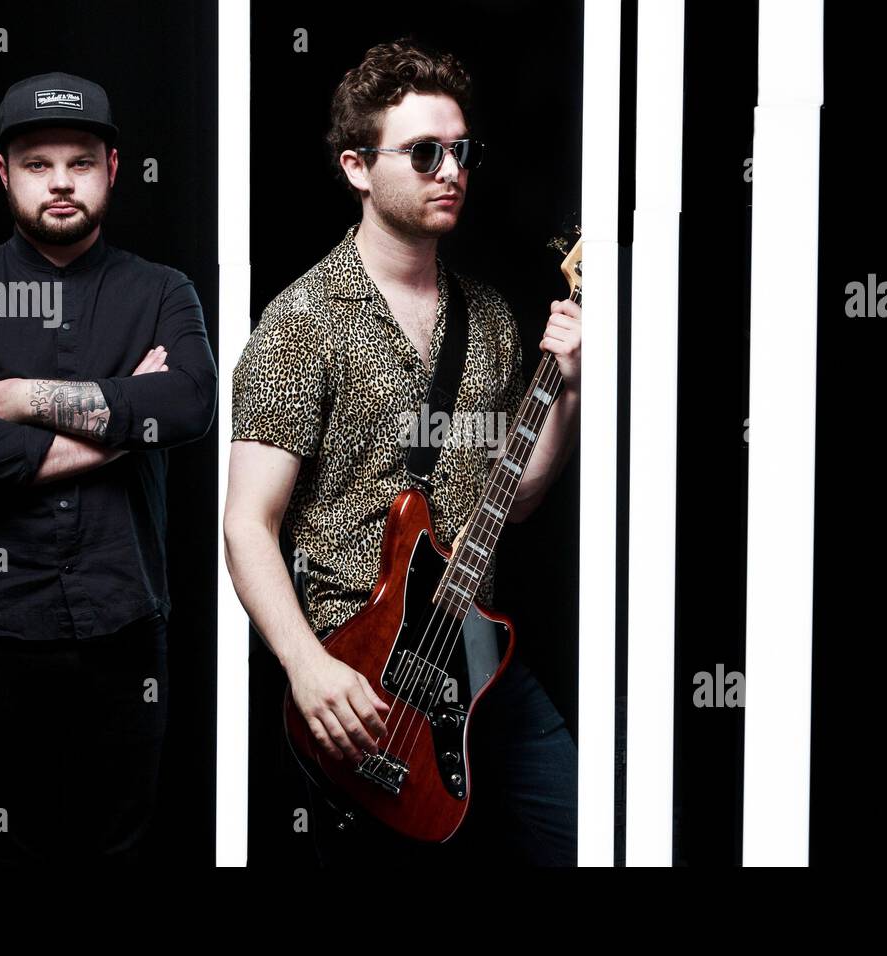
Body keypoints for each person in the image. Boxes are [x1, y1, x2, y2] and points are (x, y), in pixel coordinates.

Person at [223, 40, 581, 865]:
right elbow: (247, 524)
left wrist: (564, 389)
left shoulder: (488, 318)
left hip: (476, 662)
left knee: (578, 831)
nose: (450, 168)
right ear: (357, 167)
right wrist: (307, 670)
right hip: (361, 673)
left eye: (462, 151)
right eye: (425, 152)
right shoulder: (302, 324)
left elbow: (515, 498)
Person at [0, 71, 217, 863]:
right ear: (5, 174)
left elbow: (187, 407)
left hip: (125, 629)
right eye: (38, 164)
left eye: (78, 162)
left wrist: (19, 397)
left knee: (119, 851)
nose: (60, 183)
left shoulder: (162, 291)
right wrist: (126, 420)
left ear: (112, 170)